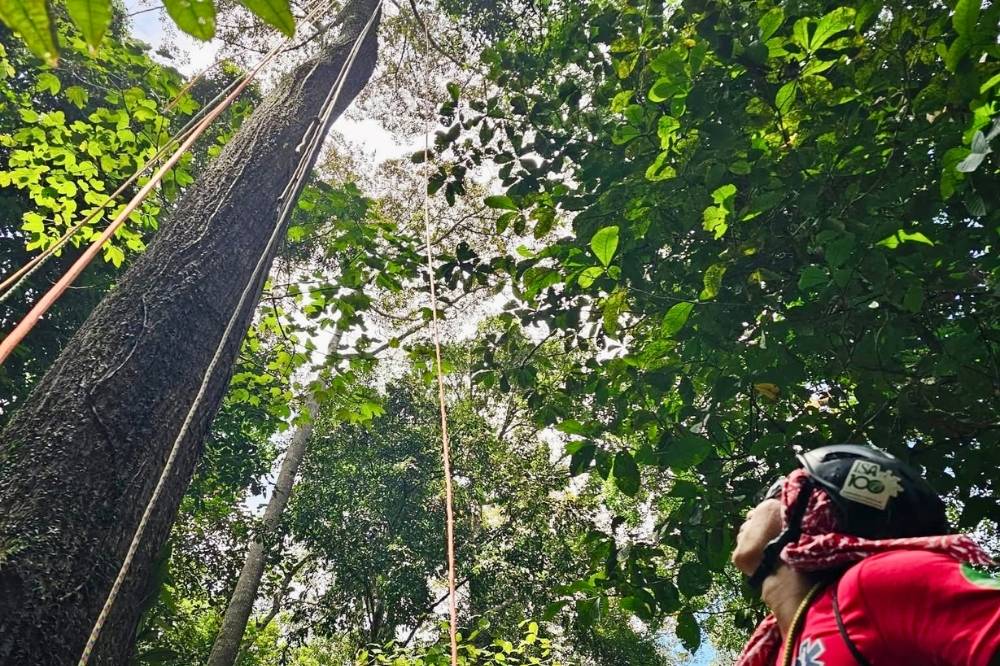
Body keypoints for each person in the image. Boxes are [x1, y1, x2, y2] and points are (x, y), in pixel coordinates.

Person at [731, 444, 1000, 666]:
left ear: (810, 508)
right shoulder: (773, 652)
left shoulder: (874, 583)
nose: (750, 512)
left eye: (776, 492)